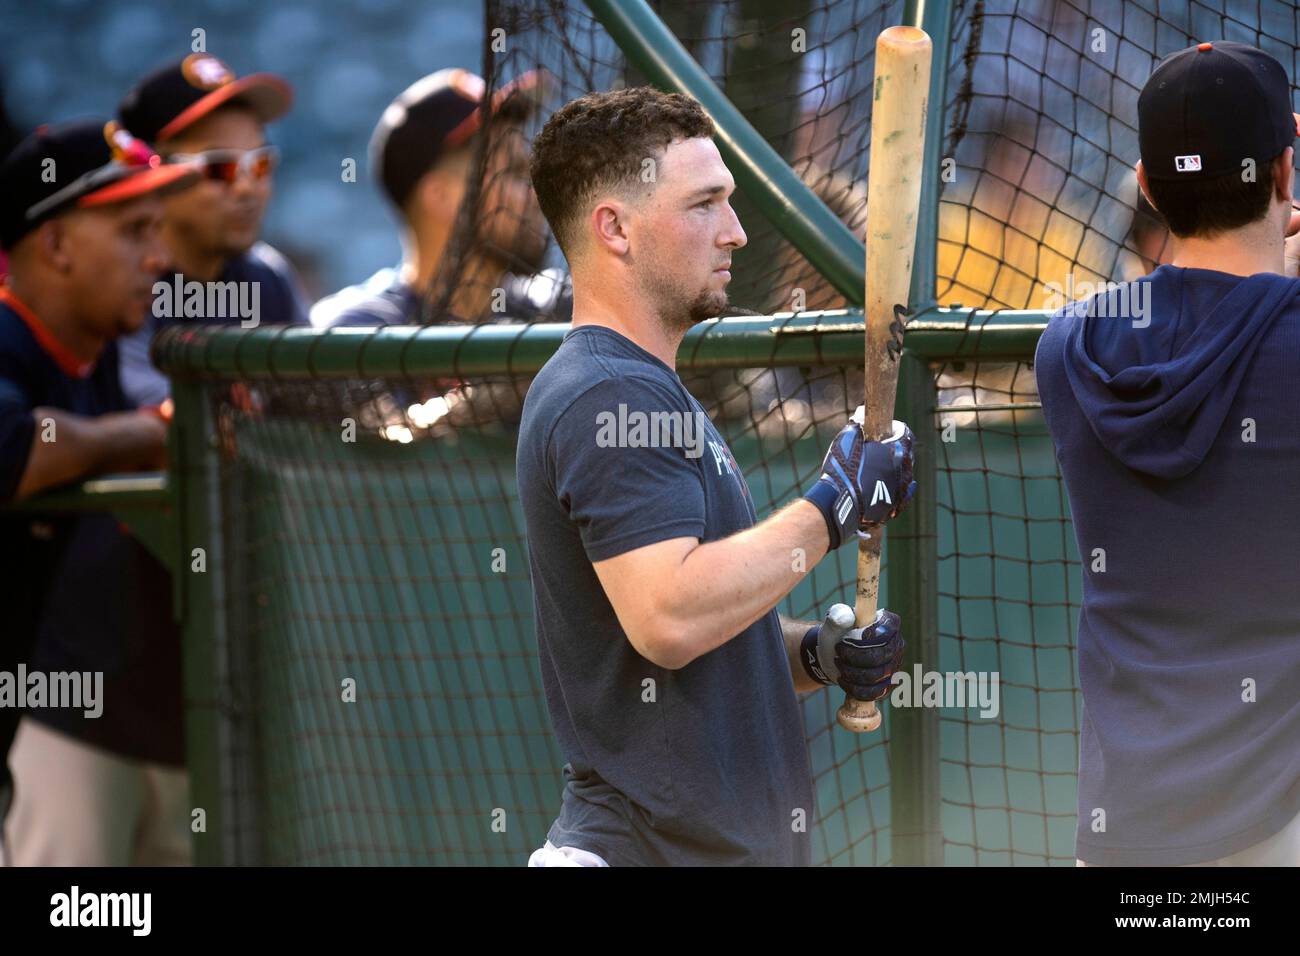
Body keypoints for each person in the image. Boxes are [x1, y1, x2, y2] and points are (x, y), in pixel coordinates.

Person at [516, 87, 917, 866]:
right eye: (705, 205)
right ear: (615, 229)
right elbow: (669, 618)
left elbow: (698, 641)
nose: (735, 233)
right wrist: (834, 506)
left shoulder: (640, 386)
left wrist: (814, 656)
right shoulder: (609, 392)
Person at [1035, 40, 1300, 866]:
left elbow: (1205, 319)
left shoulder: (1068, 348)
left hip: (1125, 825)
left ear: (1147, 186)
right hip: (1280, 822)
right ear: (1286, 169)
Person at [0, 120, 197, 863]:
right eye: (133, 230)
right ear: (54, 245)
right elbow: (14, 449)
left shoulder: (95, 357)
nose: (160, 256)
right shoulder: (10, 338)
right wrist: (149, 431)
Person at [115, 52, 308, 406]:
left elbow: (320, 404)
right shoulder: (123, 283)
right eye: (220, 168)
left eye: (260, 164)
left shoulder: (268, 277)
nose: (248, 188)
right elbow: (152, 427)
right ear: (152, 176)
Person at [311, 68, 567, 329]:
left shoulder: (555, 306)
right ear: (441, 196)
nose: (536, 195)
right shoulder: (360, 331)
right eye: (513, 172)